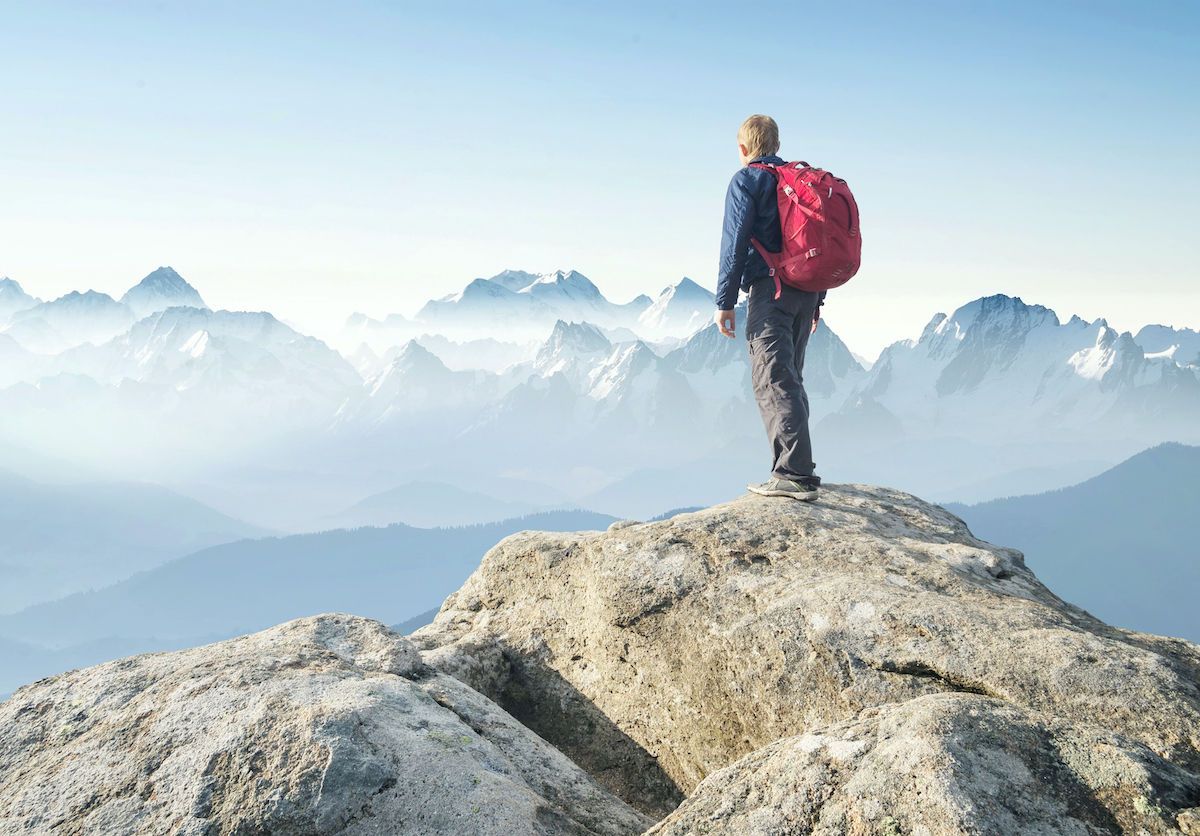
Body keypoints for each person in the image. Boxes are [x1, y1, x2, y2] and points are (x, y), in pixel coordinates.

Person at [715, 114, 825, 501]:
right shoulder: (798, 181)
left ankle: (794, 474)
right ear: (776, 144)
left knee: (773, 379)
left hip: (770, 291)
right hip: (806, 291)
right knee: (790, 377)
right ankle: (794, 470)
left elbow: (735, 243)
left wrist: (724, 302)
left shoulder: (747, 180)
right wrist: (817, 302)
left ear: (744, 149)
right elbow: (816, 243)